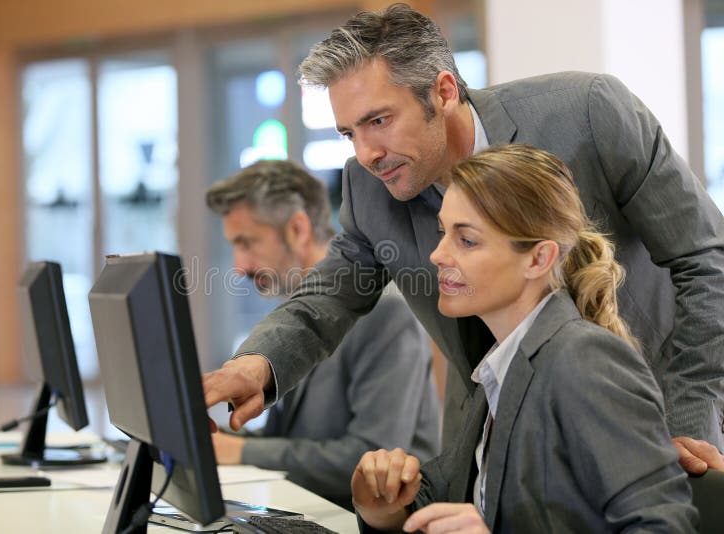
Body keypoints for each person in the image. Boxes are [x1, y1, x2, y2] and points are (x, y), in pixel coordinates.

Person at [203, 3, 724, 474]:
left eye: (378, 121)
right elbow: (328, 297)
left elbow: (706, 259)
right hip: (495, 442)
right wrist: (258, 363)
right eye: (348, 133)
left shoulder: (590, 112)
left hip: (650, 415)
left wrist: (690, 414)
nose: (365, 154)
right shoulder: (369, 188)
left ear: (444, 92)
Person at [352, 144, 697, 533]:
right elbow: (462, 493)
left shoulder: (585, 359)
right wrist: (384, 505)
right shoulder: (506, 360)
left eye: (466, 240)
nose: (437, 255)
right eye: (442, 233)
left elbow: (662, 527)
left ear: (538, 259)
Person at [205, 159, 440, 509]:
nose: (240, 265)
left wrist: (238, 450)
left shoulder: (385, 311)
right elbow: (292, 440)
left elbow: (369, 457)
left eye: (247, 242)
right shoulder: (290, 314)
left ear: (297, 229)